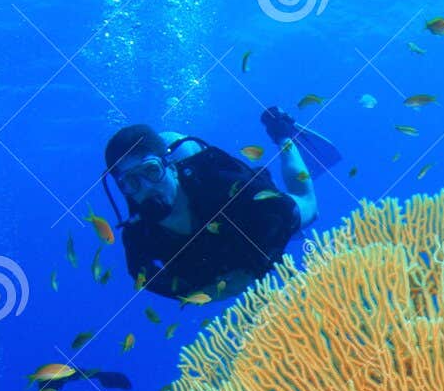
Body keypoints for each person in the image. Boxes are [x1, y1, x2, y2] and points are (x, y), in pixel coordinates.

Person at [100, 108, 336, 303]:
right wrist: (200, 295)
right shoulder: (138, 235)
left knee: (306, 204)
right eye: (131, 181)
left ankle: (283, 133)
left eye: (151, 171)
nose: (146, 187)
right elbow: (143, 276)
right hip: (219, 256)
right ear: (123, 190)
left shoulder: (222, 185)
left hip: (255, 216)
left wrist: (255, 268)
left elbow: (307, 207)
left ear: (170, 167)